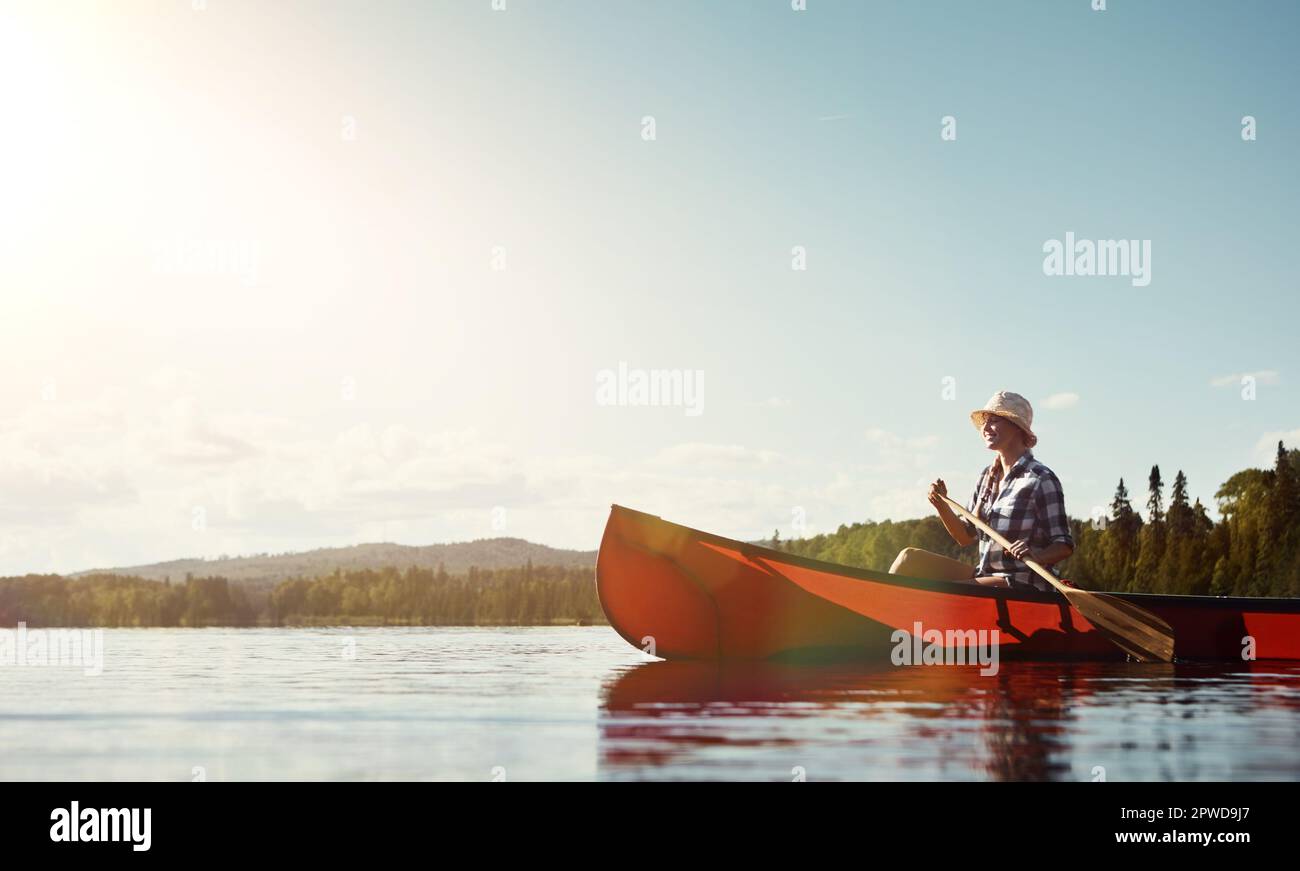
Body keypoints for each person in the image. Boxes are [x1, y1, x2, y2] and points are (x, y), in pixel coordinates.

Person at [889, 390, 1074, 592]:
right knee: (909, 559)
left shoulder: (1041, 478)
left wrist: (1036, 556)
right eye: (985, 421)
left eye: (994, 421)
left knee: (943, 594)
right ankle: (877, 616)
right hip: (985, 575)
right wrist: (941, 505)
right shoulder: (987, 477)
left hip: (1021, 582)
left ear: (1017, 427)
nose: (985, 427)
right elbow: (965, 537)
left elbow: (1063, 544)